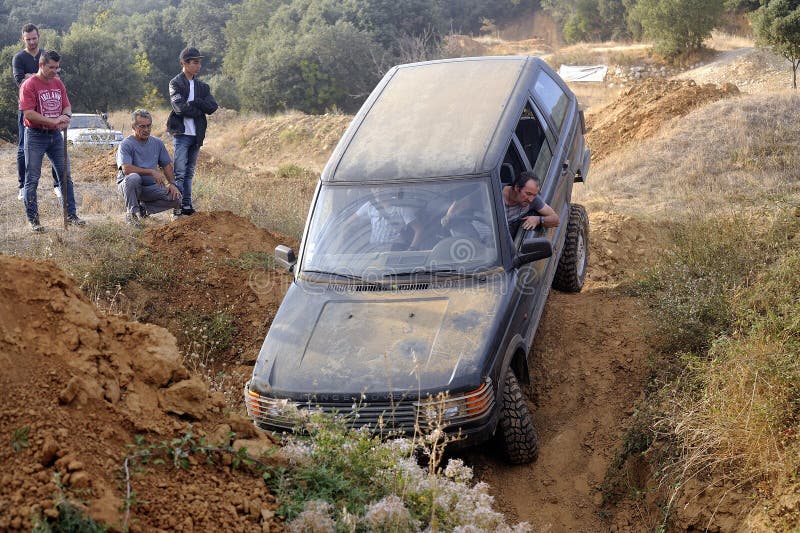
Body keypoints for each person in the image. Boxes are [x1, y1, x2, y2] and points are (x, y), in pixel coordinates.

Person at [19, 49, 85, 232]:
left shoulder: (58, 83)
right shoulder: (29, 85)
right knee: (32, 178)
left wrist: (66, 116)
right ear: (41, 65)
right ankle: (34, 220)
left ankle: (71, 215)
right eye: (51, 67)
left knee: (65, 175)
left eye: (57, 67)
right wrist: (54, 121)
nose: (55, 71)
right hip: (35, 135)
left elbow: (67, 105)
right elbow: (29, 114)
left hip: (56, 136)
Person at [166, 46, 218, 217]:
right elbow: (180, 109)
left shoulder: (203, 86)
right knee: (179, 172)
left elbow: (212, 107)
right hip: (181, 135)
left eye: (199, 62)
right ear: (184, 63)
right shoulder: (175, 83)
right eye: (195, 62)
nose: (198, 66)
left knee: (189, 173)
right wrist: (198, 107)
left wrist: (195, 102)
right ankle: (177, 208)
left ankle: (187, 206)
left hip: (196, 135)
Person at [12, 23, 58, 200]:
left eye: (34, 38)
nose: (32, 42)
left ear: (39, 36)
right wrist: (40, 76)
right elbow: (20, 82)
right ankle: (22, 186)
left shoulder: (46, 55)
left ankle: (57, 185)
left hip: (49, 107)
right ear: (23, 39)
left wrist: (33, 76)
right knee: (23, 147)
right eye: (28, 39)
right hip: (27, 108)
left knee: (55, 146)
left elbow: (55, 76)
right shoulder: (18, 58)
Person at [117, 109, 182, 227]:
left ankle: (143, 209)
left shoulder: (157, 143)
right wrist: (151, 172)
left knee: (177, 198)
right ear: (133, 127)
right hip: (129, 186)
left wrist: (172, 183)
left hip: (150, 188)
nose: (146, 130)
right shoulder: (126, 144)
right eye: (142, 126)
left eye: (148, 126)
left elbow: (166, 165)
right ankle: (131, 214)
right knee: (133, 178)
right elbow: (126, 169)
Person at [350, 189, 423, 251]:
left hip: (394, 250)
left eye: (381, 187)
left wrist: (411, 250)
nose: (378, 190)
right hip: (374, 250)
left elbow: (419, 230)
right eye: (375, 187)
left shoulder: (401, 207)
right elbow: (348, 223)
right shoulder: (370, 205)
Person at [502, 170, 559, 237]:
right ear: (517, 188)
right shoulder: (492, 194)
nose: (531, 199)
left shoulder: (534, 200)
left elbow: (556, 219)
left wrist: (538, 220)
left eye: (534, 195)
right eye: (528, 194)